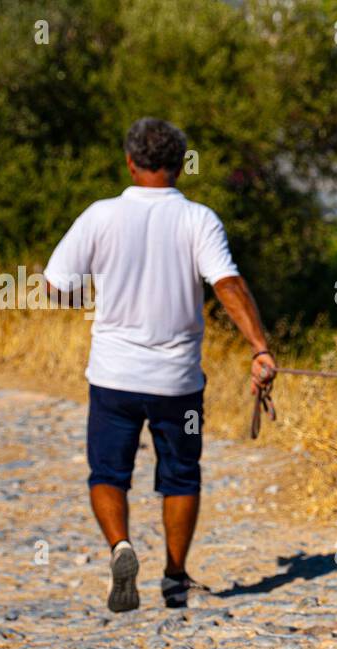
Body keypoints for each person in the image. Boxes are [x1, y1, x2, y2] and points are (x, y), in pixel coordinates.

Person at [44, 117, 275, 612]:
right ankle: (174, 576)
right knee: (181, 475)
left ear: (130, 162)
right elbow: (227, 285)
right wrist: (259, 346)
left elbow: (54, 285)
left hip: (113, 377)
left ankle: (120, 546)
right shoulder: (199, 220)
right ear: (180, 165)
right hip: (178, 382)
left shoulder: (100, 216)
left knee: (107, 472)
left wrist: (99, 298)